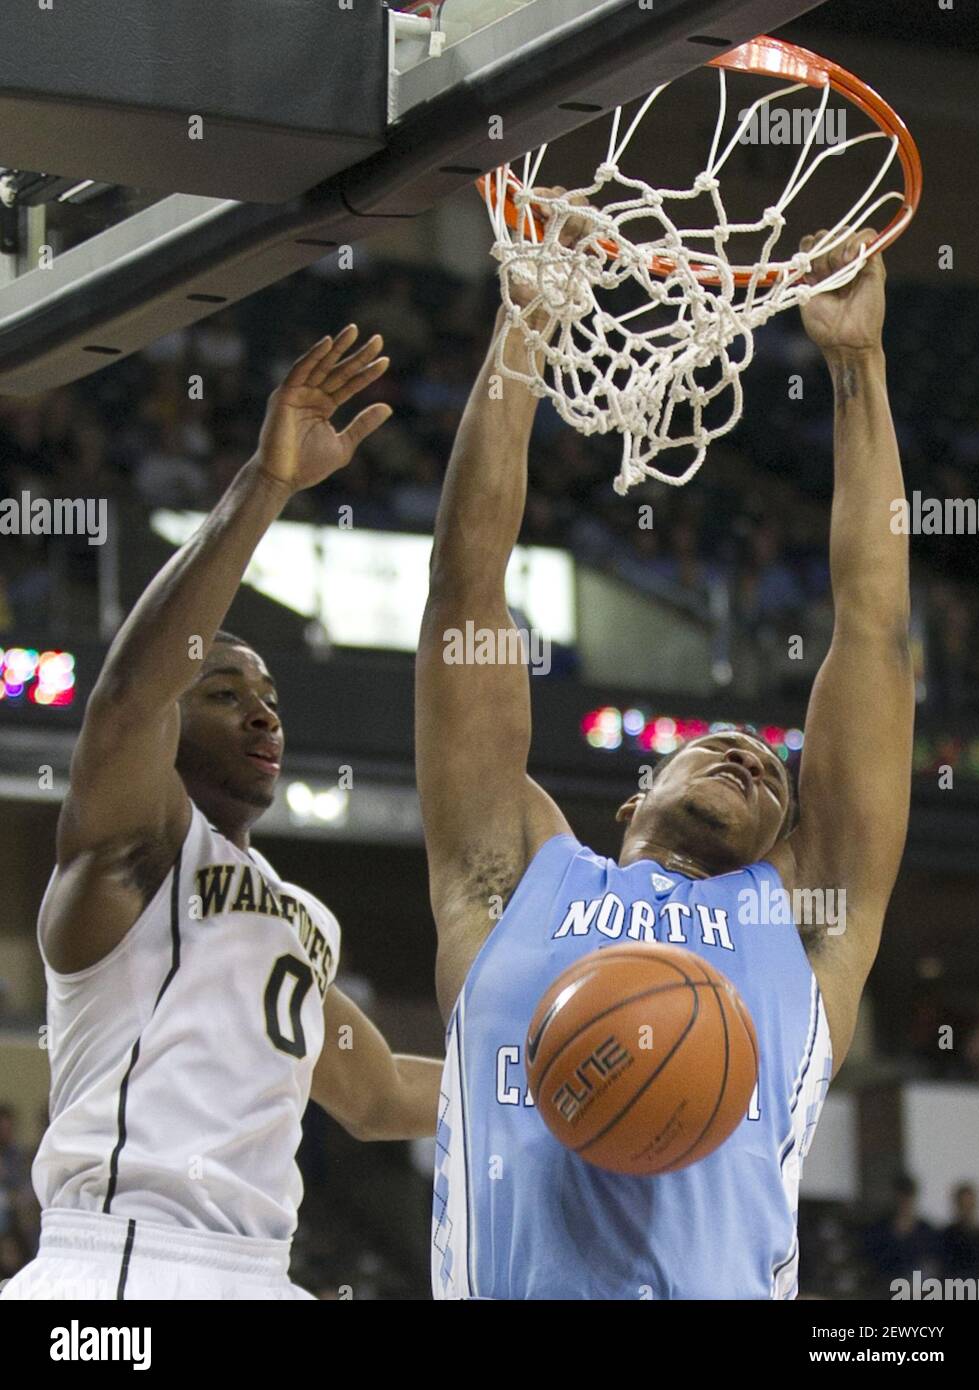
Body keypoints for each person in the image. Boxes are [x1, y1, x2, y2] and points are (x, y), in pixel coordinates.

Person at [416, 222, 914, 1298]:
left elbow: (872, 630)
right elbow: (465, 600)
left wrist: (856, 368)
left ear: (789, 838)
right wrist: (521, 334)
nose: (750, 750)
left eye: (776, 770)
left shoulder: (801, 917)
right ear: (633, 796)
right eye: (716, 742)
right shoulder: (515, 875)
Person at [2, 329, 441, 1302]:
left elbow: (372, 1095)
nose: (261, 711)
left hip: (257, 1271)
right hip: (125, 1261)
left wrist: (552, 1094)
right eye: (223, 689)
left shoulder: (300, 920)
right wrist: (266, 483)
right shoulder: (135, 854)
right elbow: (125, 698)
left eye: (272, 695)